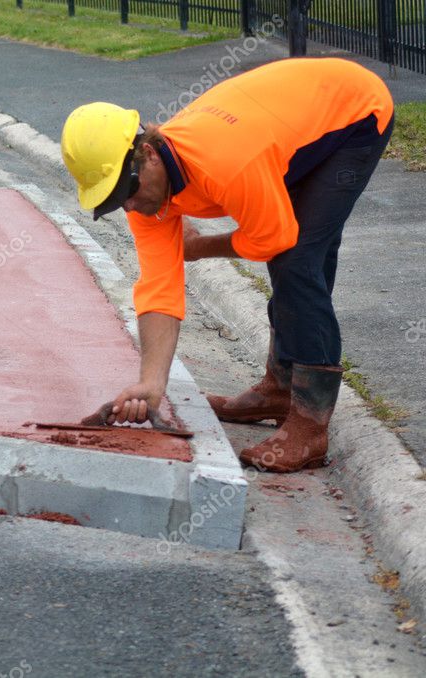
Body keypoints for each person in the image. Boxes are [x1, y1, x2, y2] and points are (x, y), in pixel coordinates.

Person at [60, 58, 394, 473]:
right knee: (299, 250)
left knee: (296, 257)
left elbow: (273, 239)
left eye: (125, 191)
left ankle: (310, 425)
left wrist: (198, 248)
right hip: (286, 120)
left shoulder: (226, 163)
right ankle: (281, 387)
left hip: (355, 111)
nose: (128, 206)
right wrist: (151, 384)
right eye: (113, 201)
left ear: (147, 153)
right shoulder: (146, 200)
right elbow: (160, 287)